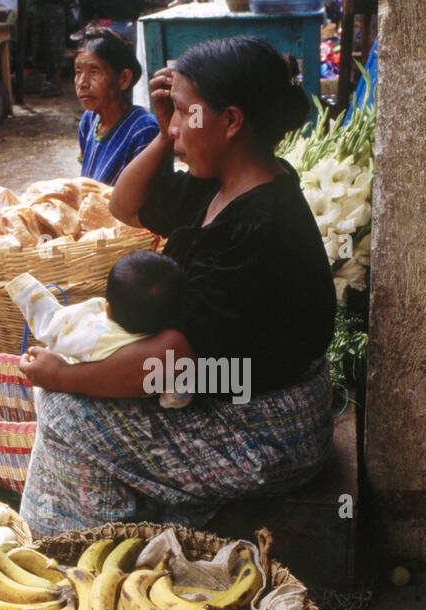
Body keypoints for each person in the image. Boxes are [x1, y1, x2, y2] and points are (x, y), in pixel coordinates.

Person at [17, 36, 336, 536]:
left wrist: (64, 375)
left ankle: (87, 550)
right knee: (77, 390)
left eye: (188, 112)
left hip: (268, 431)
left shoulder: (262, 221)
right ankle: (100, 537)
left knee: (66, 408)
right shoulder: (222, 183)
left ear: (231, 121)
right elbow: (122, 205)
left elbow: (173, 361)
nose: (177, 123)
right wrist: (168, 134)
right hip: (228, 389)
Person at [7, 251, 191, 406]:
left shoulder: (94, 331)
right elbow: (177, 395)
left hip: (102, 397)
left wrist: (27, 292)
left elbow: (51, 325)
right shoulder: (173, 345)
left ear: (108, 309)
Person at [74, 28, 161, 184]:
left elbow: (145, 198)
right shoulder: (89, 120)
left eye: (94, 72)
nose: (82, 83)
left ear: (123, 79)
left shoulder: (145, 130)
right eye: (78, 71)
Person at [30, 0, 67, 95]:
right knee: (47, 49)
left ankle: (56, 84)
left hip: (52, 14)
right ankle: (50, 83)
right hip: (49, 13)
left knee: (54, 50)